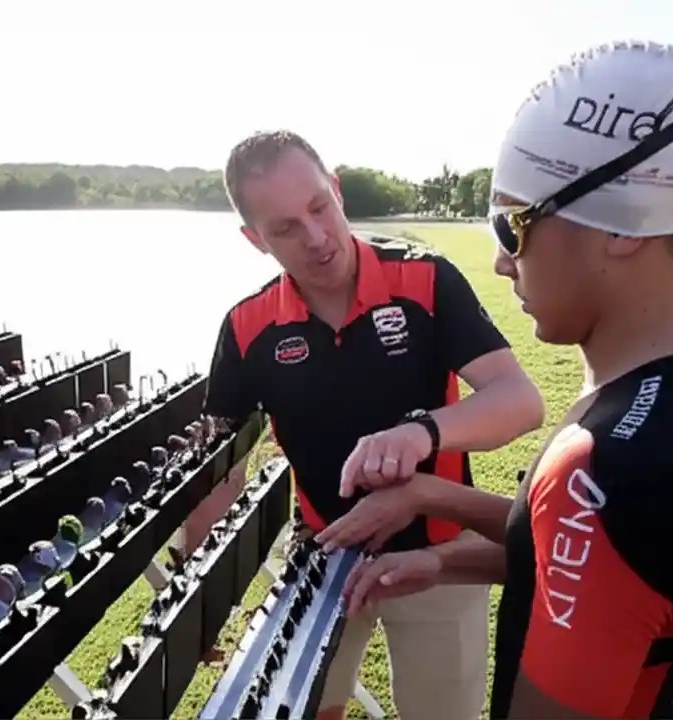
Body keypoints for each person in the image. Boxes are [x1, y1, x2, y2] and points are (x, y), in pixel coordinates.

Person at [316, 40, 673, 719]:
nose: (503, 262)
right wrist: (438, 538)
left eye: (514, 224)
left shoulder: (610, 464)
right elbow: (587, 568)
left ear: (621, 228)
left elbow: (590, 535)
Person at [181, 129, 545, 720]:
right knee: (304, 708)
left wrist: (421, 431)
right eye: (285, 229)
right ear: (254, 239)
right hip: (324, 553)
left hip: (443, 558)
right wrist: (199, 601)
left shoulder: (426, 279)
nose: (317, 238)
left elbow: (520, 401)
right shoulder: (246, 328)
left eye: (319, 207)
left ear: (338, 191)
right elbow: (221, 474)